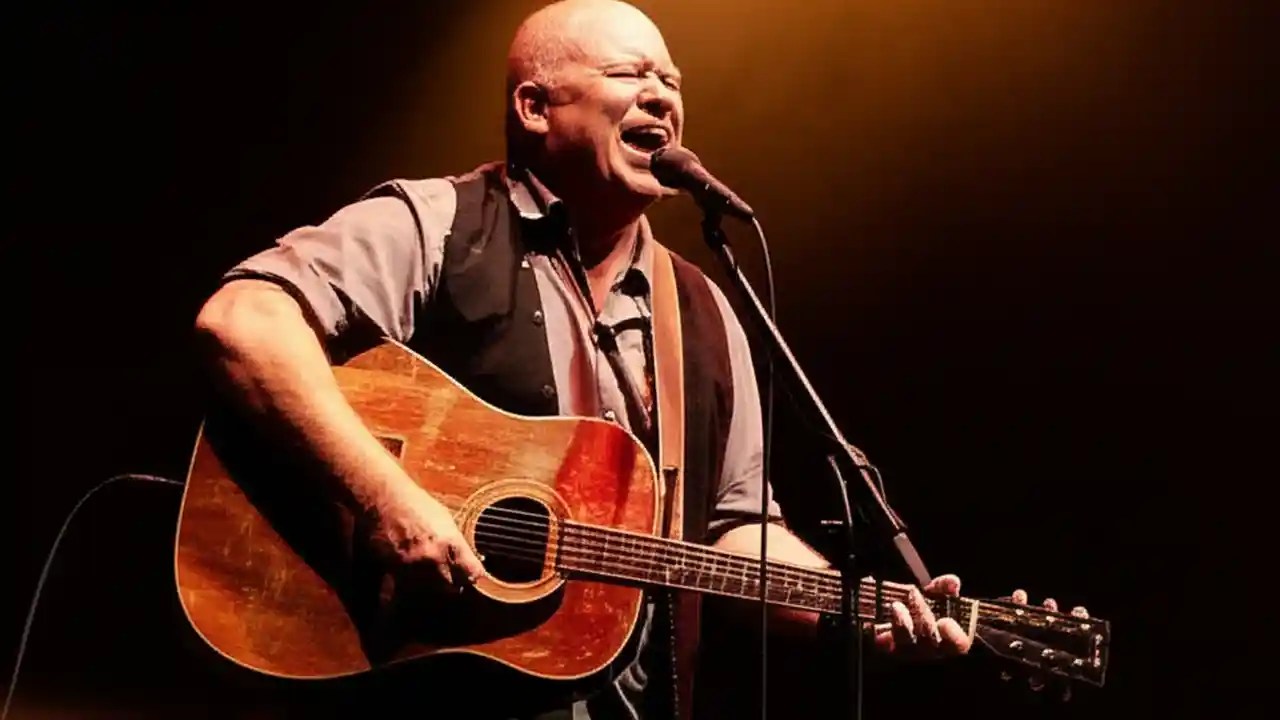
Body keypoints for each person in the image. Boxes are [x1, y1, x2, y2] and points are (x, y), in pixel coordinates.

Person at [193, 1, 1066, 717]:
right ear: (535, 107)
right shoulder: (438, 224)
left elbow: (730, 530)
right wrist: (385, 498)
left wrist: (866, 613)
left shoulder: (704, 308)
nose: (660, 96)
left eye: (670, 81)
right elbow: (243, 321)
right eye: (628, 75)